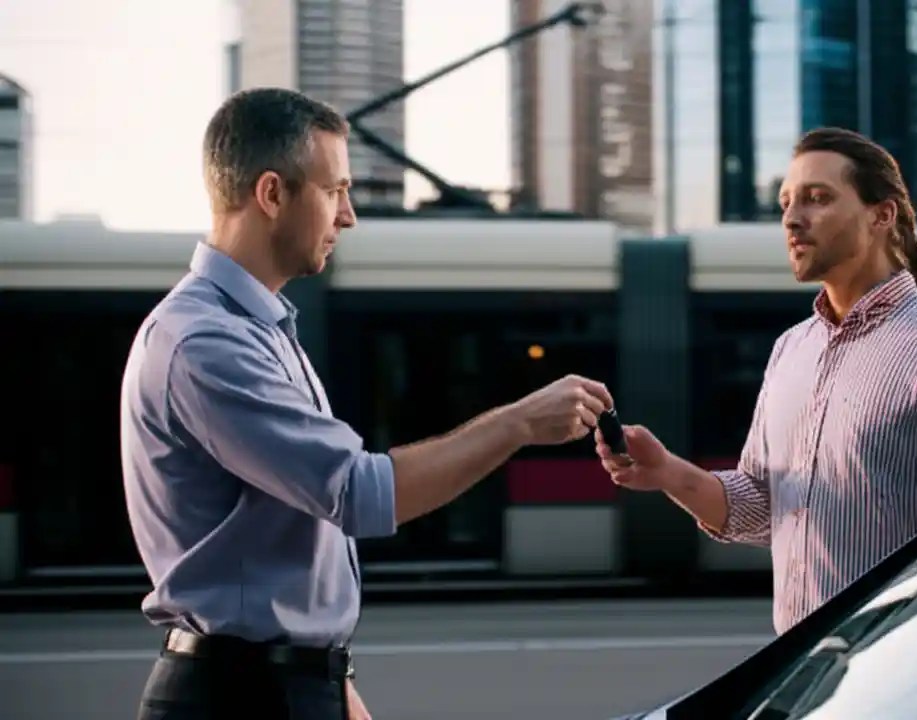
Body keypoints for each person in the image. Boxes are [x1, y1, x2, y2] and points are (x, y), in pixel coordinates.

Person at [120, 87, 615, 719]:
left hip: (278, 686)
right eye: (335, 191)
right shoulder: (204, 342)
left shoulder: (260, 330)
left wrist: (328, 676)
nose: (348, 216)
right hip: (240, 697)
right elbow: (356, 492)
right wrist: (517, 423)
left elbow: (291, 534)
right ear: (272, 194)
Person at [596, 127, 917, 635]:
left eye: (817, 199)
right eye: (786, 202)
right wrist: (668, 472)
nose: (791, 219)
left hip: (907, 665)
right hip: (805, 673)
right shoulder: (791, 350)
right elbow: (762, 506)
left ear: (882, 214)